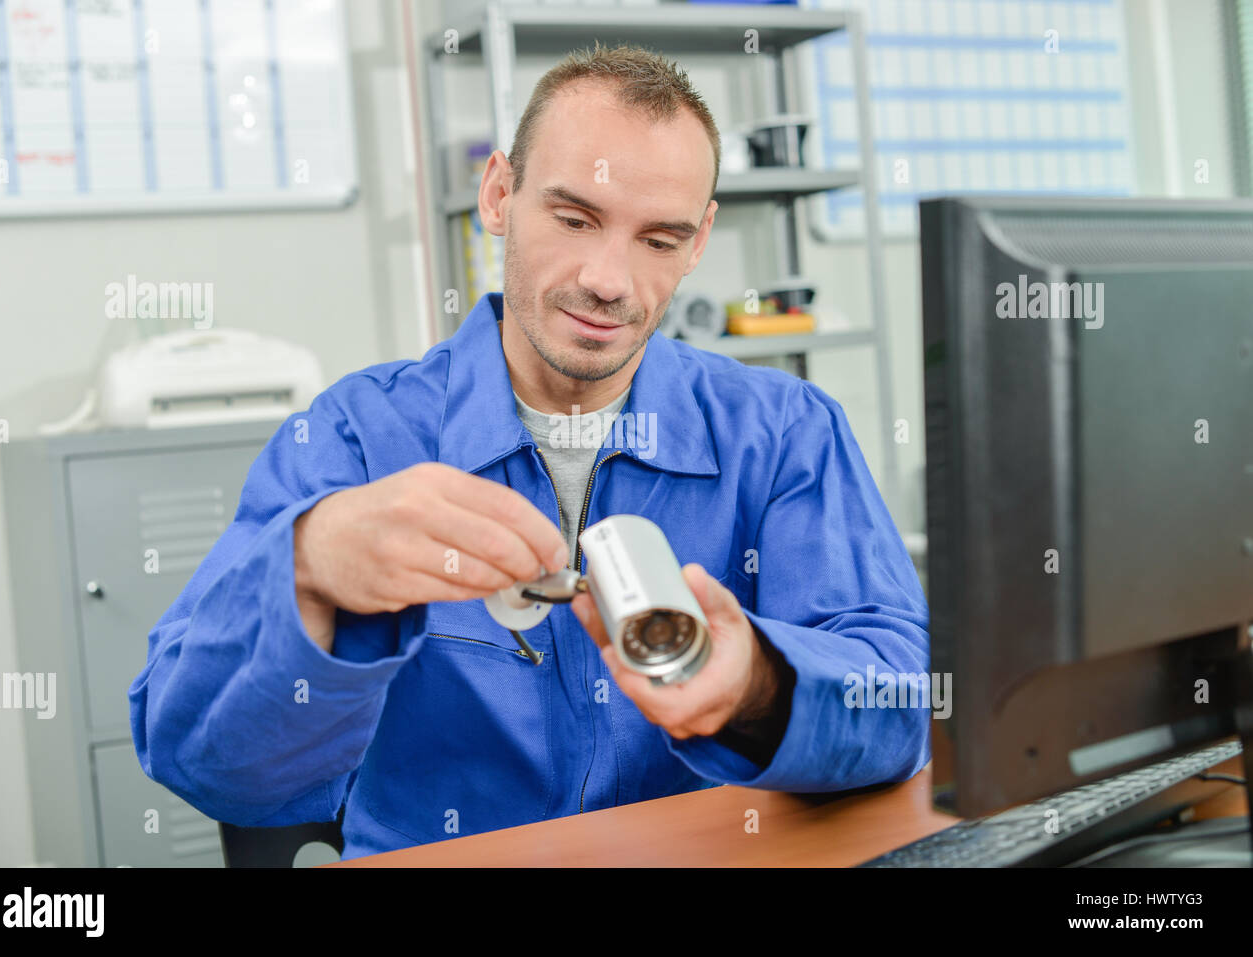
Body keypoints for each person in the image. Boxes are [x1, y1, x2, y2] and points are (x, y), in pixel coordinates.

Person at [130, 42, 930, 860]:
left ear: (699, 243)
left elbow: (903, 703)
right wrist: (308, 572)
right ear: (500, 193)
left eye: (659, 240)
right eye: (575, 218)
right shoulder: (357, 437)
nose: (609, 278)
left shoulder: (786, 433)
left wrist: (759, 684)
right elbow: (193, 753)